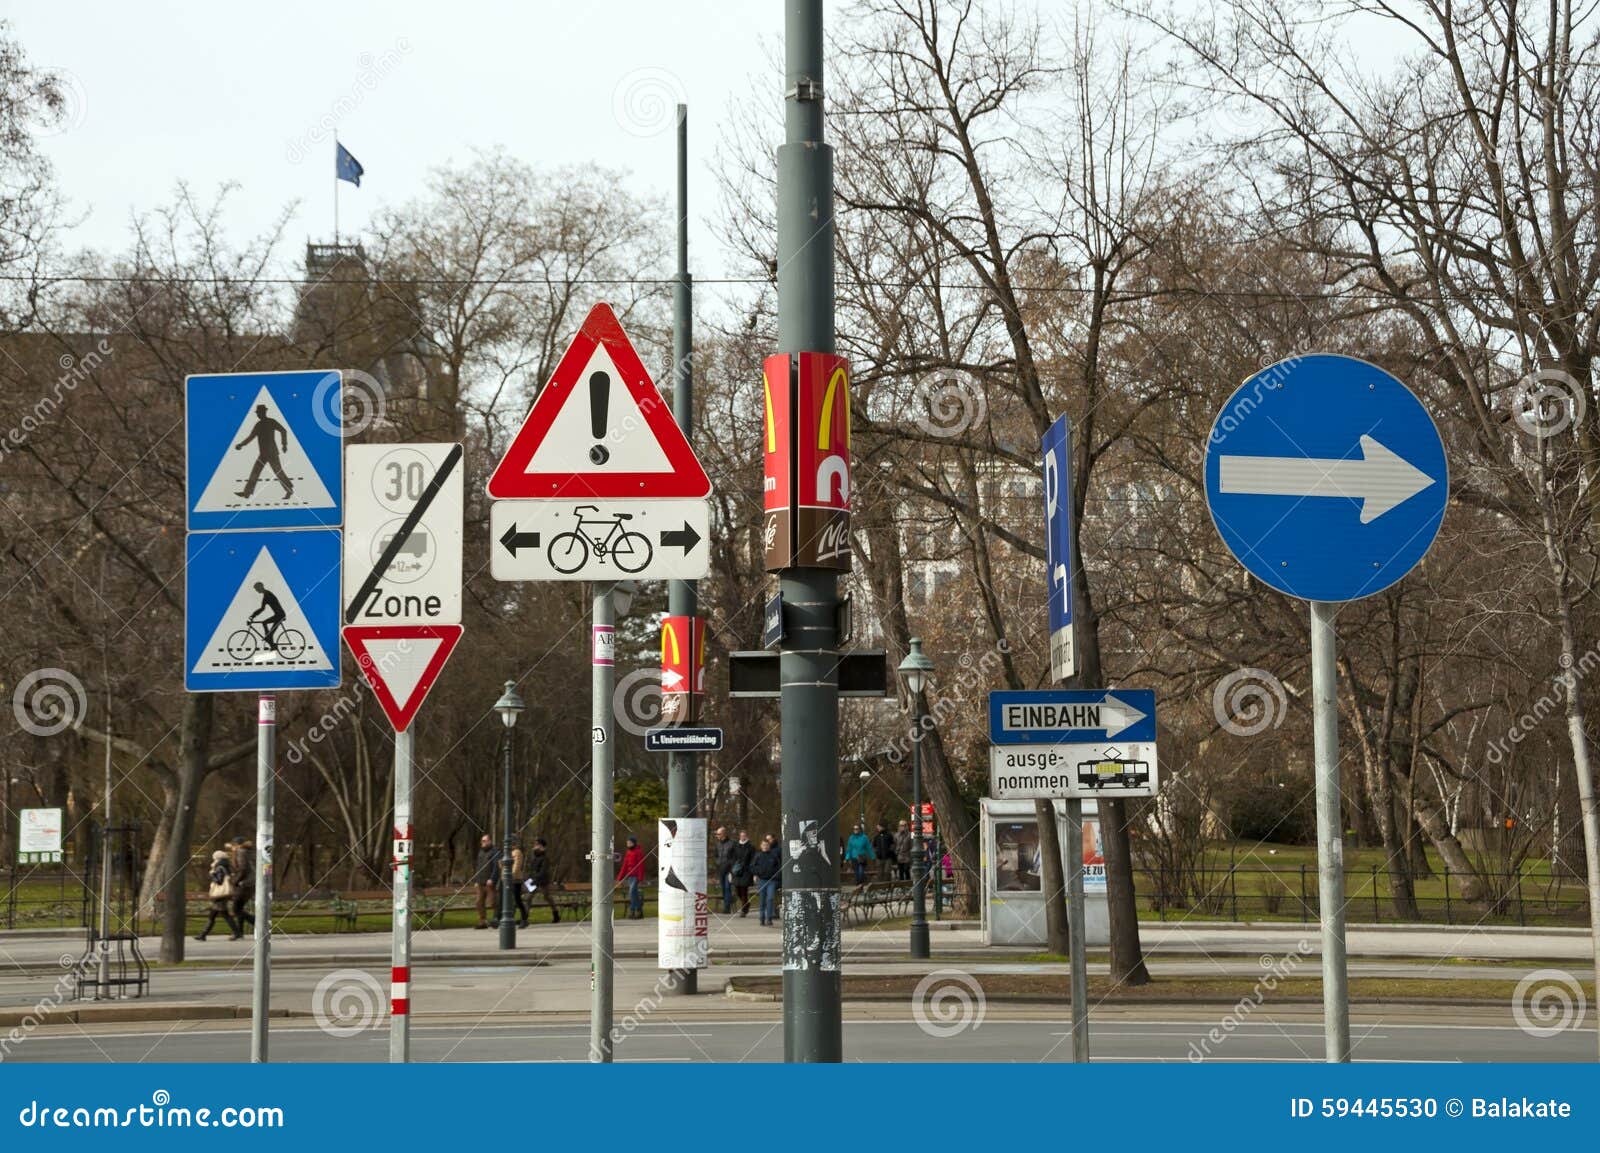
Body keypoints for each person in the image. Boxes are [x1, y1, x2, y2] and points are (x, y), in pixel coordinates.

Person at [234, 403, 292, 500]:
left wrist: (284, 445)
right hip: (263, 454)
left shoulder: (271, 422)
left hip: (272, 453)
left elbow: (283, 431)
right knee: (255, 472)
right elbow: (251, 437)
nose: (258, 414)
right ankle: (247, 493)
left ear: (263, 412)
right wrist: (241, 445)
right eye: (257, 413)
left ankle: (289, 490)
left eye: (259, 413)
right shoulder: (259, 424)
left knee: (278, 472)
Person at [194, 850, 242, 941]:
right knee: (217, 915)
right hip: (223, 896)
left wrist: (212, 875)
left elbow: (219, 881)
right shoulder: (226, 866)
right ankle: (203, 934)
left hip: (220, 895)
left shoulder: (219, 867)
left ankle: (203, 935)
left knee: (220, 915)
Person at [524, 836, 560, 924]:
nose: (534, 846)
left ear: (541, 846)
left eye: (536, 845)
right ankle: (524, 917)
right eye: (535, 844)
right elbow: (532, 870)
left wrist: (535, 880)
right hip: (534, 881)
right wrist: (530, 878)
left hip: (542, 881)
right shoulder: (534, 857)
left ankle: (555, 913)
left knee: (547, 897)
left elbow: (543, 872)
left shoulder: (545, 858)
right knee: (528, 898)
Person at [247, 582, 286, 655]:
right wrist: (252, 616)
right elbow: (262, 608)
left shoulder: (267, 595)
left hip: (280, 615)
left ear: (260, 587)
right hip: (278, 615)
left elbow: (262, 608)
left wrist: (252, 616)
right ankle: (270, 640)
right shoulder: (266, 594)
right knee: (266, 626)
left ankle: (269, 640)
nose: (256, 590)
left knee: (265, 625)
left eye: (256, 589)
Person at [752, 835, 782, 926]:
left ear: (769, 846)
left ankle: (769, 918)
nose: (765, 846)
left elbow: (779, 867)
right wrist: (757, 873)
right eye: (763, 845)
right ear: (761, 846)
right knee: (762, 899)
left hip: (772, 881)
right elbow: (752, 867)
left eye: (767, 845)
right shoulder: (758, 855)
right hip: (762, 880)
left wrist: (776, 877)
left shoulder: (773, 855)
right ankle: (762, 918)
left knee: (770, 898)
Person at [472, 834, 500, 929]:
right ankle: (482, 921)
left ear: (490, 841)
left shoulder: (495, 852)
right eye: (482, 841)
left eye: (484, 841)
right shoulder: (481, 852)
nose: (482, 843)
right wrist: (476, 880)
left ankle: (497, 918)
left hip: (489, 882)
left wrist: (492, 878)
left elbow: (496, 867)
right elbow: (478, 867)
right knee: (479, 902)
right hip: (480, 881)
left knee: (493, 902)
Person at [727, 829, 756, 917]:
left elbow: (753, 859)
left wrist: (751, 869)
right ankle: (747, 904)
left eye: (744, 835)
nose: (742, 837)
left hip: (746, 872)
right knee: (738, 891)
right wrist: (733, 867)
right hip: (736, 871)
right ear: (740, 836)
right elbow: (731, 857)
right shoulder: (735, 846)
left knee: (744, 891)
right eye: (741, 836)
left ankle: (744, 910)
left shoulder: (751, 847)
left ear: (747, 836)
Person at [229, 836, 255, 932]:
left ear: (236, 845)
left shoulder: (240, 852)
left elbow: (242, 869)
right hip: (250, 883)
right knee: (239, 908)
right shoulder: (248, 852)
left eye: (232, 845)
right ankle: (239, 932)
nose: (231, 848)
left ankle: (258, 923)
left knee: (236, 909)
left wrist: (235, 881)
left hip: (244, 884)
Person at [617, 836, 647, 919]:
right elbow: (625, 866)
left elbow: (641, 866)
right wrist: (620, 878)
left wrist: (640, 878)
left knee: (631, 892)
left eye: (630, 843)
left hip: (636, 876)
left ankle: (632, 910)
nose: (628, 844)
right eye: (627, 843)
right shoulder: (628, 852)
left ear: (634, 843)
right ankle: (639, 910)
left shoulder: (638, 852)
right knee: (634, 894)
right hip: (630, 876)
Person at [713, 826, 734, 914]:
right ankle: (727, 903)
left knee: (727, 887)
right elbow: (715, 856)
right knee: (723, 888)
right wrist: (718, 863)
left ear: (723, 834)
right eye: (716, 834)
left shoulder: (732, 843)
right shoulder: (717, 844)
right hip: (721, 869)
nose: (717, 835)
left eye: (718, 834)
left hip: (729, 870)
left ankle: (727, 907)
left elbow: (734, 857)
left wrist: (730, 866)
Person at [511, 844, 530, 929]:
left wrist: (511, 875)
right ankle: (512, 918)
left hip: (515, 879)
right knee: (512, 900)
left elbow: (516, 866)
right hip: (508, 879)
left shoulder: (517, 852)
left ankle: (524, 918)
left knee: (517, 900)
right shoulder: (509, 853)